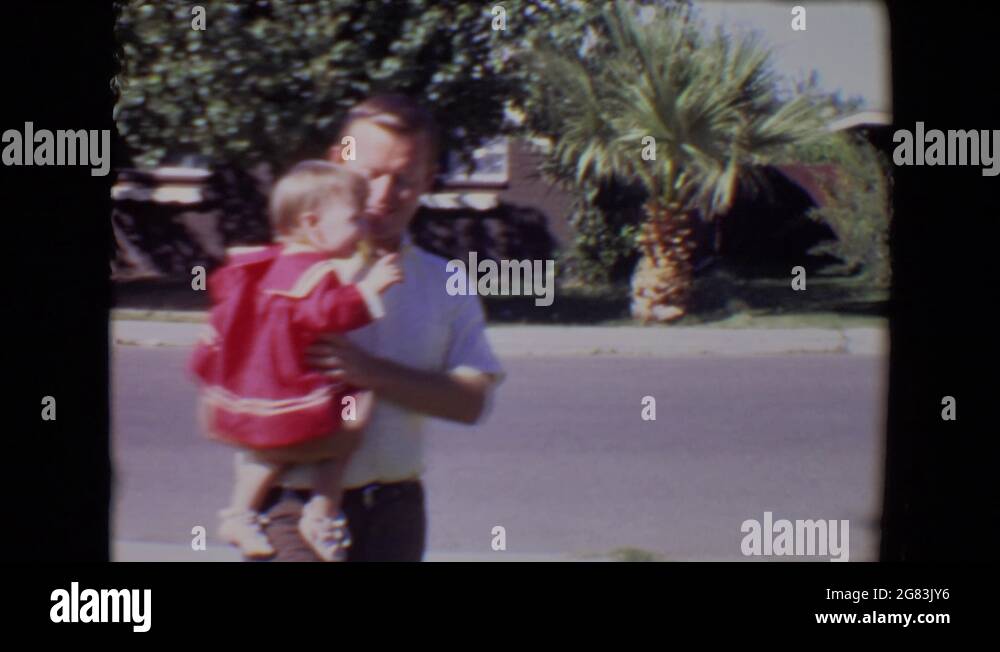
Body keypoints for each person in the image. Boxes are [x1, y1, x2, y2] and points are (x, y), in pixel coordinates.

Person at [254, 94, 505, 562]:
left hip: (395, 512)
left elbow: (472, 402)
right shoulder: (287, 270)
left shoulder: (445, 280)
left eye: (404, 181)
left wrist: (372, 373)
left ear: (428, 181)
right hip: (293, 500)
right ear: (337, 162)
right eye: (369, 175)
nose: (383, 197)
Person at [190, 160, 404, 561]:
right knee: (355, 411)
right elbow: (325, 313)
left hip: (260, 392)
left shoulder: (270, 265)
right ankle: (321, 511)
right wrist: (371, 289)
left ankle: (240, 511)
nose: (363, 227)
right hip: (292, 394)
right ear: (312, 223)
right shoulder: (313, 271)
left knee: (264, 457)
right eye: (355, 219)